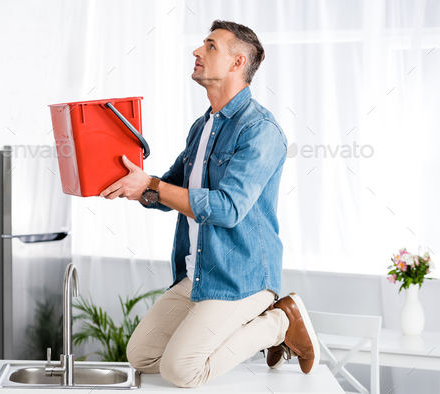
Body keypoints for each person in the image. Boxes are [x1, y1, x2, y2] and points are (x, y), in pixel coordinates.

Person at [100, 19, 319, 388]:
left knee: (180, 371)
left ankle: (280, 321)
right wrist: (135, 186)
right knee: (141, 356)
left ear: (237, 63)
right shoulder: (203, 127)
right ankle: (269, 324)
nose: (197, 51)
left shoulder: (260, 130)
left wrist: (151, 185)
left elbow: (227, 209)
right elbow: (169, 191)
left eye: (211, 46)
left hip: (242, 279)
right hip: (199, 274)